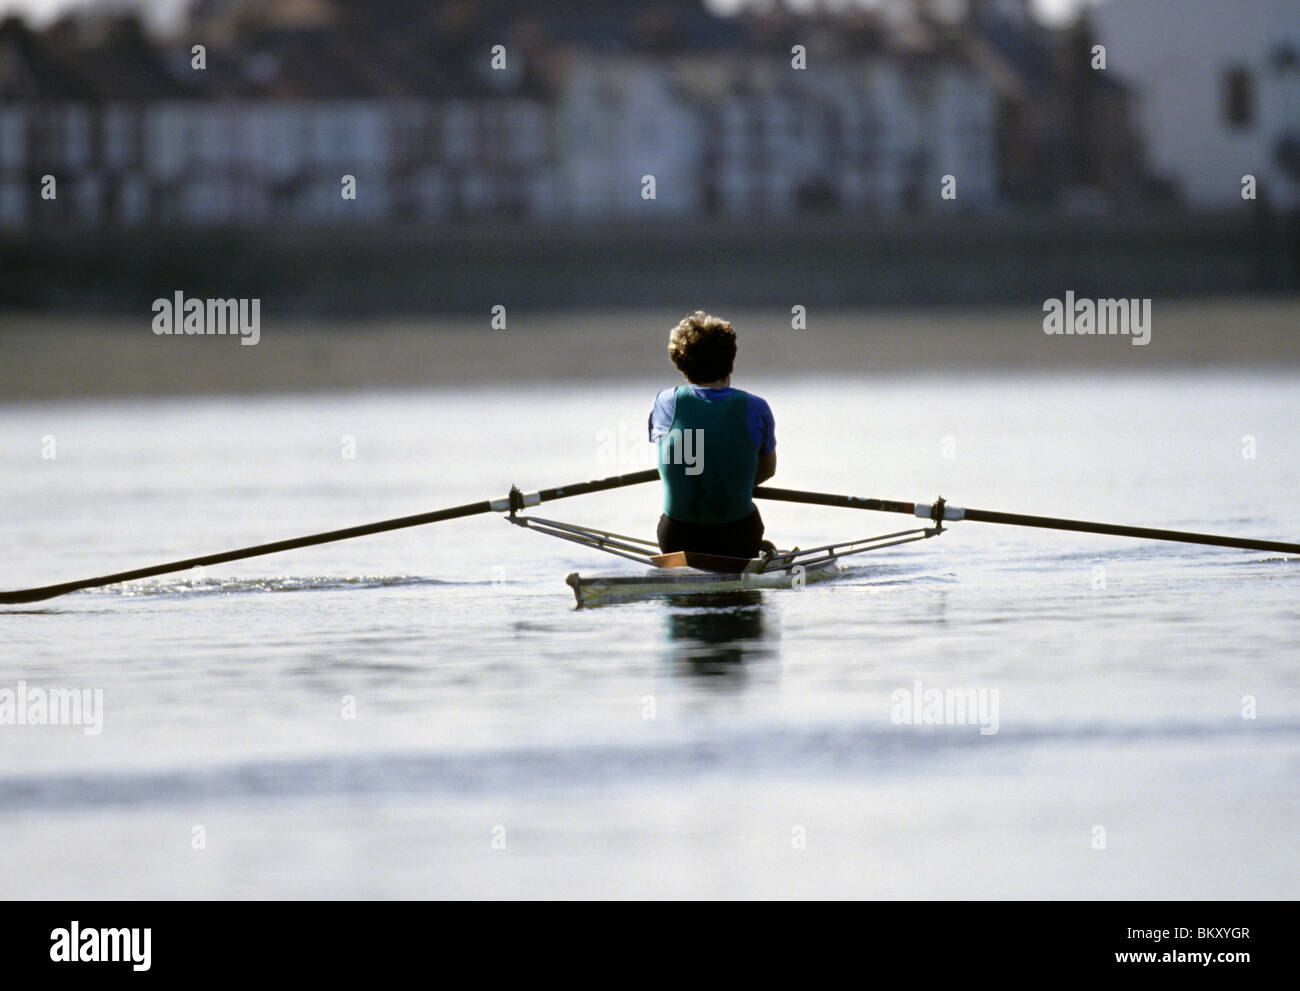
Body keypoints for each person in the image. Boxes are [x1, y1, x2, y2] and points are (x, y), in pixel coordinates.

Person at [648, 312, 776, 559]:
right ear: (731, 361)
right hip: (737, 538)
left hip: (677, 538)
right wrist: (730, 485)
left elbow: (674, 465)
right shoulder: (756, 407)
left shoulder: (664, 402)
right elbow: (767, 471)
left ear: (680, 363)